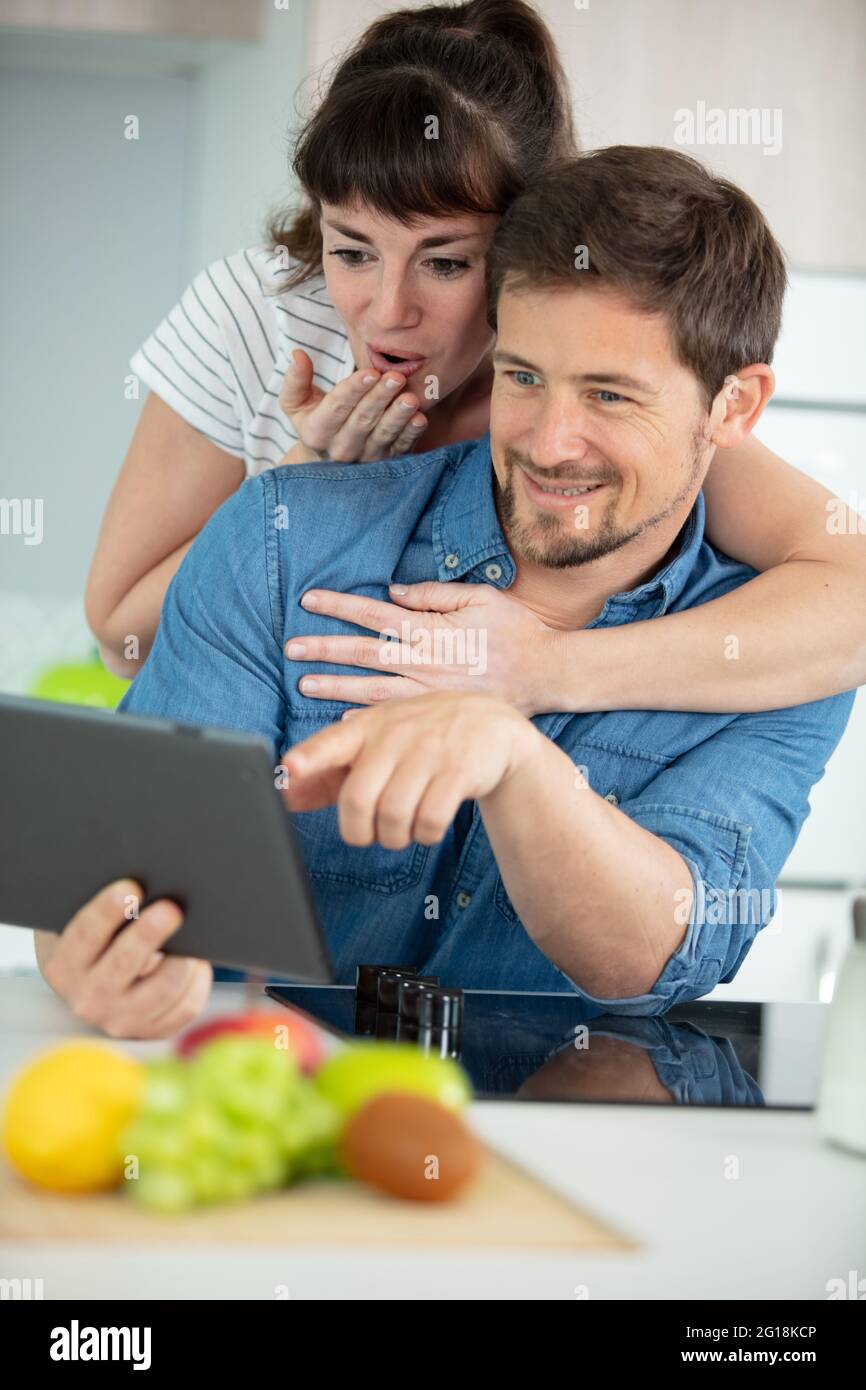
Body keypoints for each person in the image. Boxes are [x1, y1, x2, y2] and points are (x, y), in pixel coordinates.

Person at [36, 145, 856, 1039]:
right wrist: (93, 952)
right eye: (524, 377)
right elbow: (115, 875)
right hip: (248, 1112)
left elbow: (655, 952)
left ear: (734, 409)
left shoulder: (775, 651)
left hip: (558, 1157)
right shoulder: (283, 538)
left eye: (612, 397)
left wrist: (514, 754)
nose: (551, 443)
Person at [85, 0, 866, 717]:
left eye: (447, 263)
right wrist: (301, 475)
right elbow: (124, 640)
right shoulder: (255, 316)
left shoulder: (572, 373)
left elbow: (851, 594)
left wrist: (553, 669)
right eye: (352, 251)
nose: (388, 312)